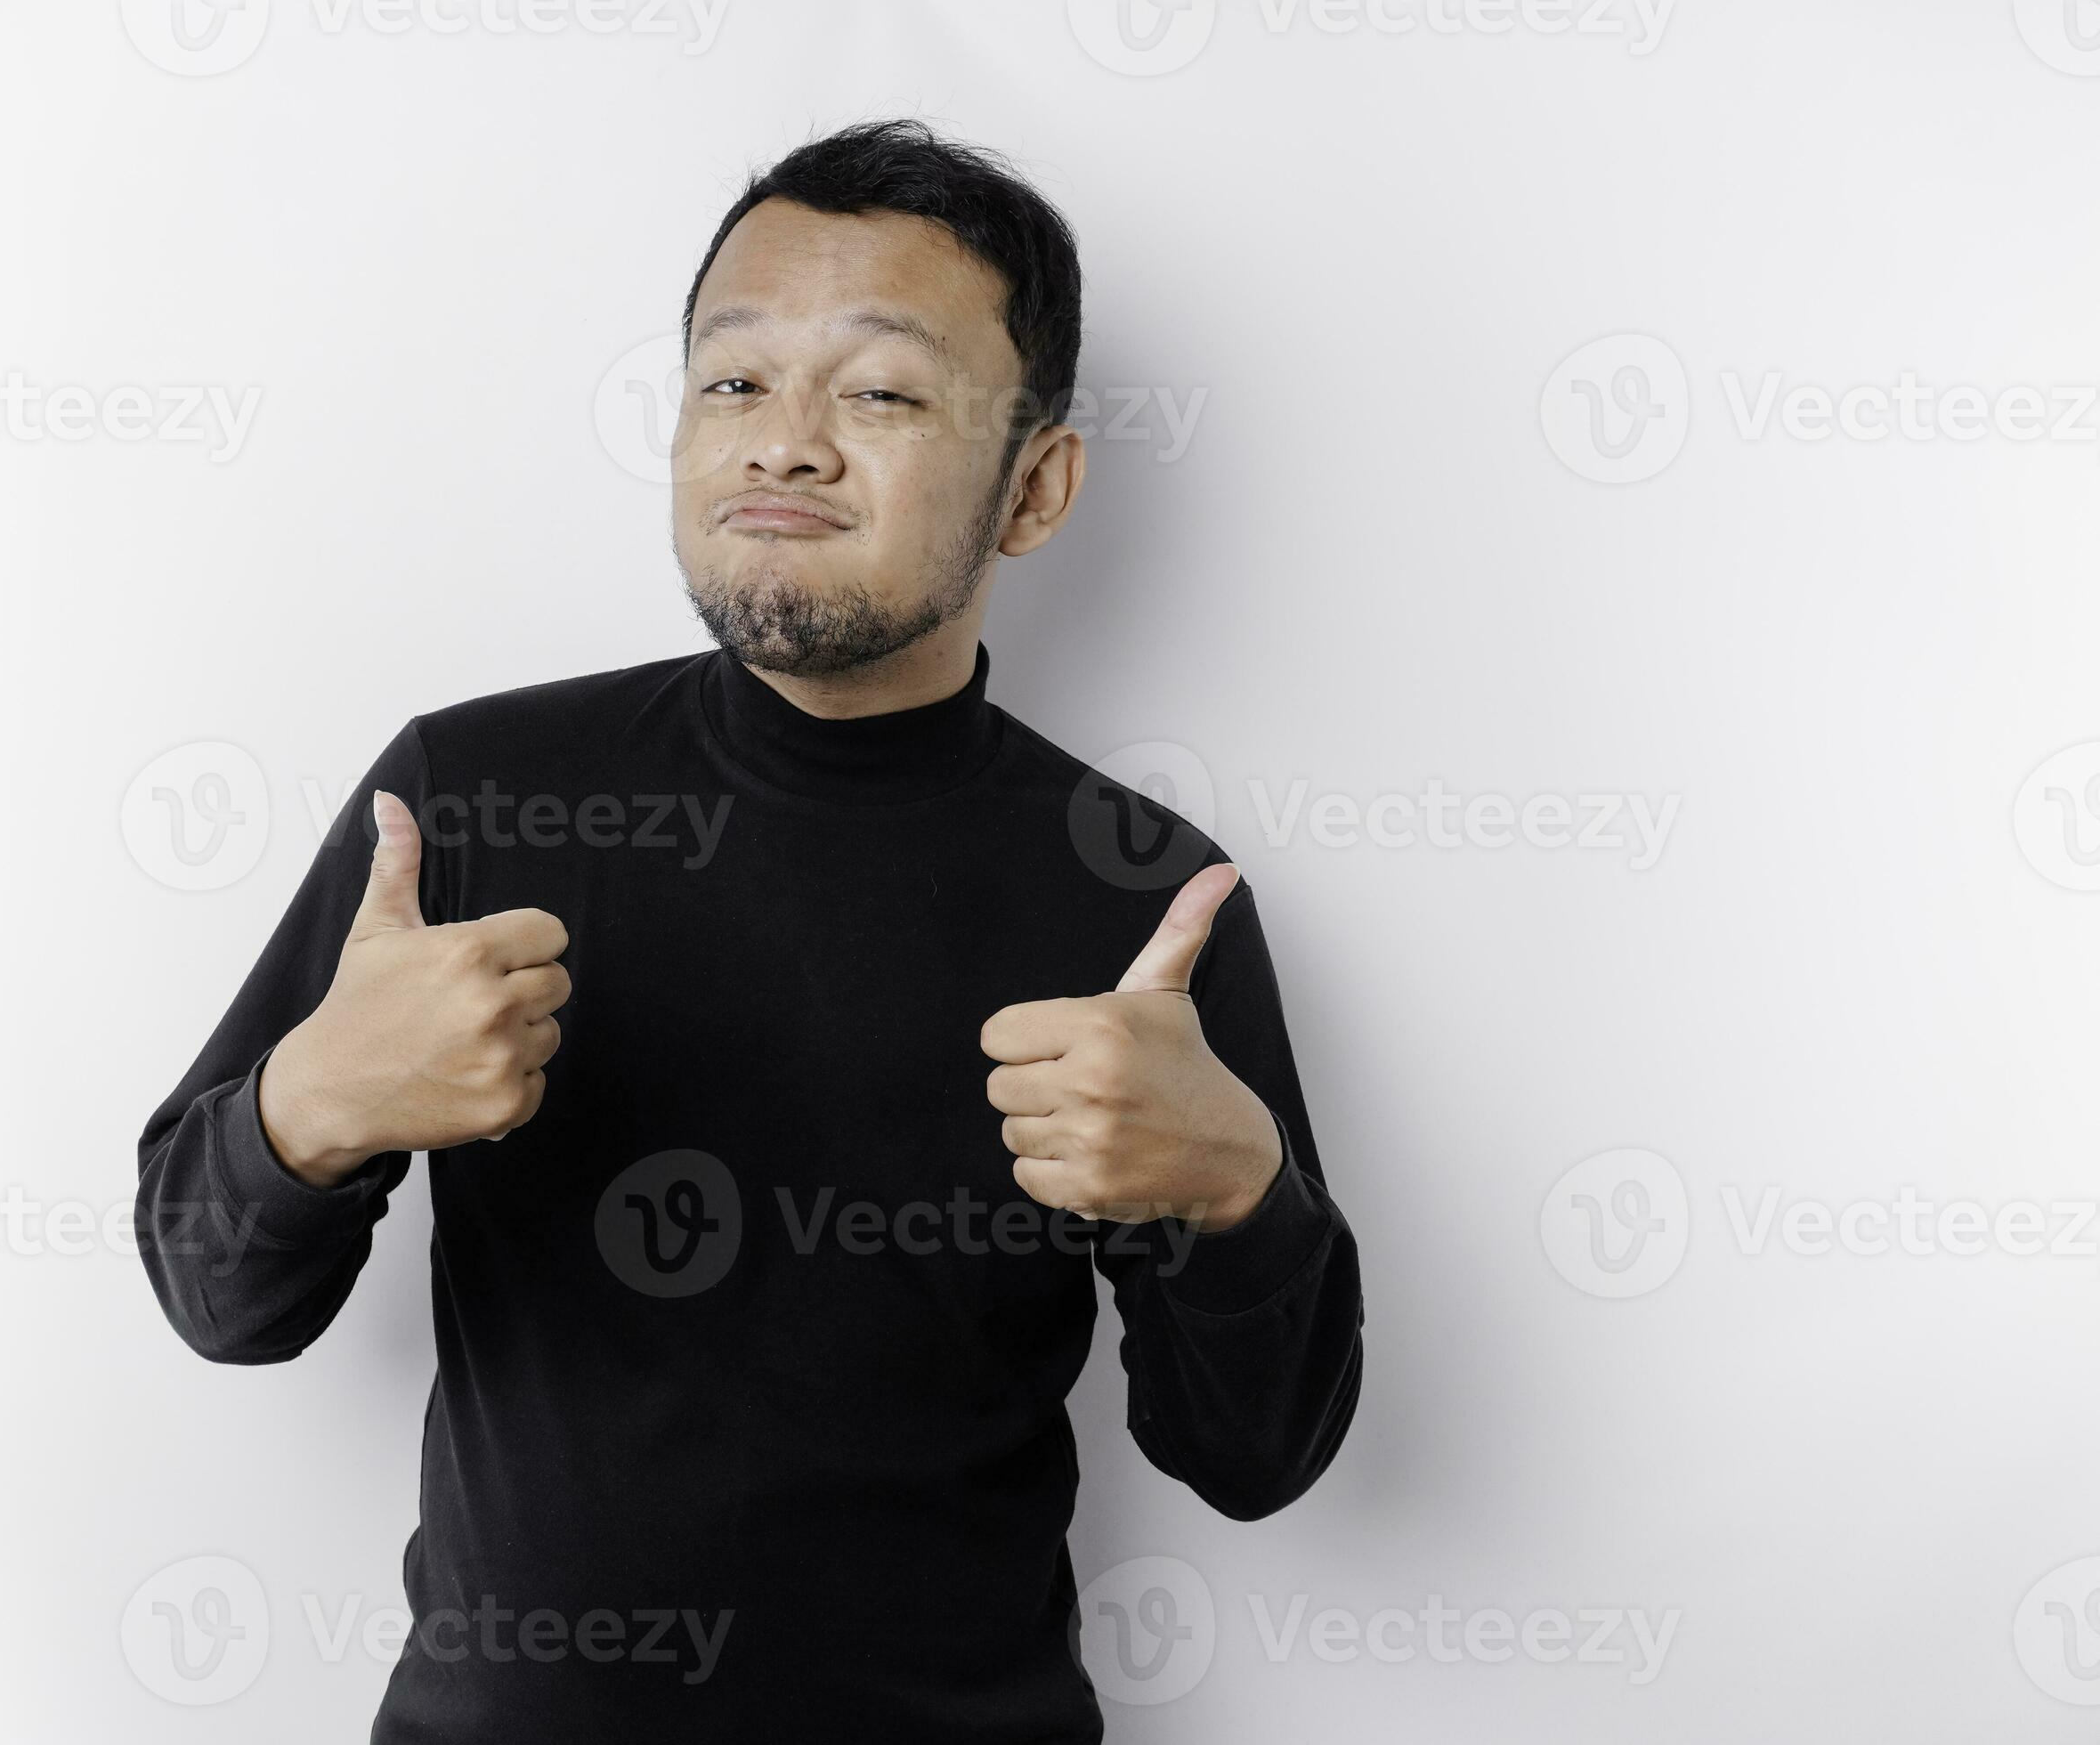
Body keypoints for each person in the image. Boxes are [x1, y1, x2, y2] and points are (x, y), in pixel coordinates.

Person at [137, 118, 1364, 1743]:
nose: (784, 446)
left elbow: (1256, 1459)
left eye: (883, 393)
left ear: (1036, 487)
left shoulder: (1145, 902)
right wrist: (308, 1111)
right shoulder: (474, 796)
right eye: (734, 381)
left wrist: (1237, 1193)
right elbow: (220, 1303)